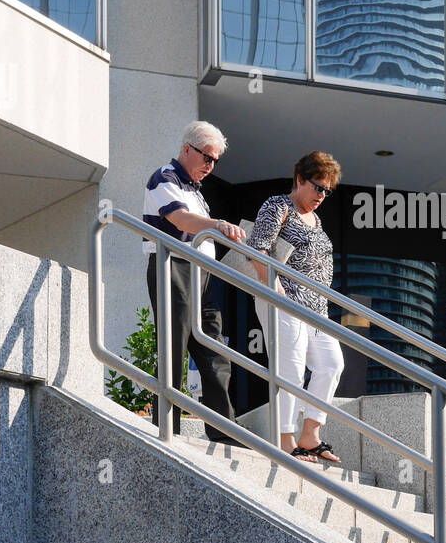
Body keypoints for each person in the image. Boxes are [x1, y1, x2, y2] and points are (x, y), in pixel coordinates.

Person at [143, 121, 247, 443]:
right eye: (207, 158)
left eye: (216, 161)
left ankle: (223, 430)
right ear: (187, 149)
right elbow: (180, 219)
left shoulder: (197, 192)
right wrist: (218, 225)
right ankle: (168, 431)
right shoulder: (164, 177)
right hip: (173, 267)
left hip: (201, 275)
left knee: (214, 351)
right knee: (173, 350)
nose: (210, 166)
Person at [246, 152, 344, 463]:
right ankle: (285, 440)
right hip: (284, 301)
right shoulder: (278, 206)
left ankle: (310, 434)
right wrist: (275, 288)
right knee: (291, 368)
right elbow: (256, 247)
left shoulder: (316, 218)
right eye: (318, 188)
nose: (322, 196)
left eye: (328, 191)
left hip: (316, 309)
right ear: (300, 179)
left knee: (331, 364)